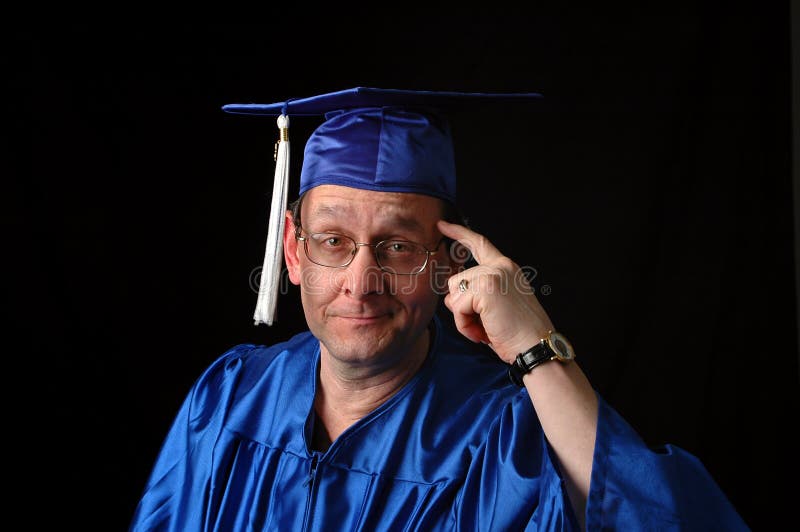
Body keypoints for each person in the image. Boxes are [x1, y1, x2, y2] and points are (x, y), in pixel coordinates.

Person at [129, 87, 748, 531]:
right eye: (333, 242)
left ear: (450, 260)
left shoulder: (505, 439)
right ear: (293, 254)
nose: (360, 282)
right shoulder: (228, 398)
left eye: (398, 247)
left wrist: (538, 352)